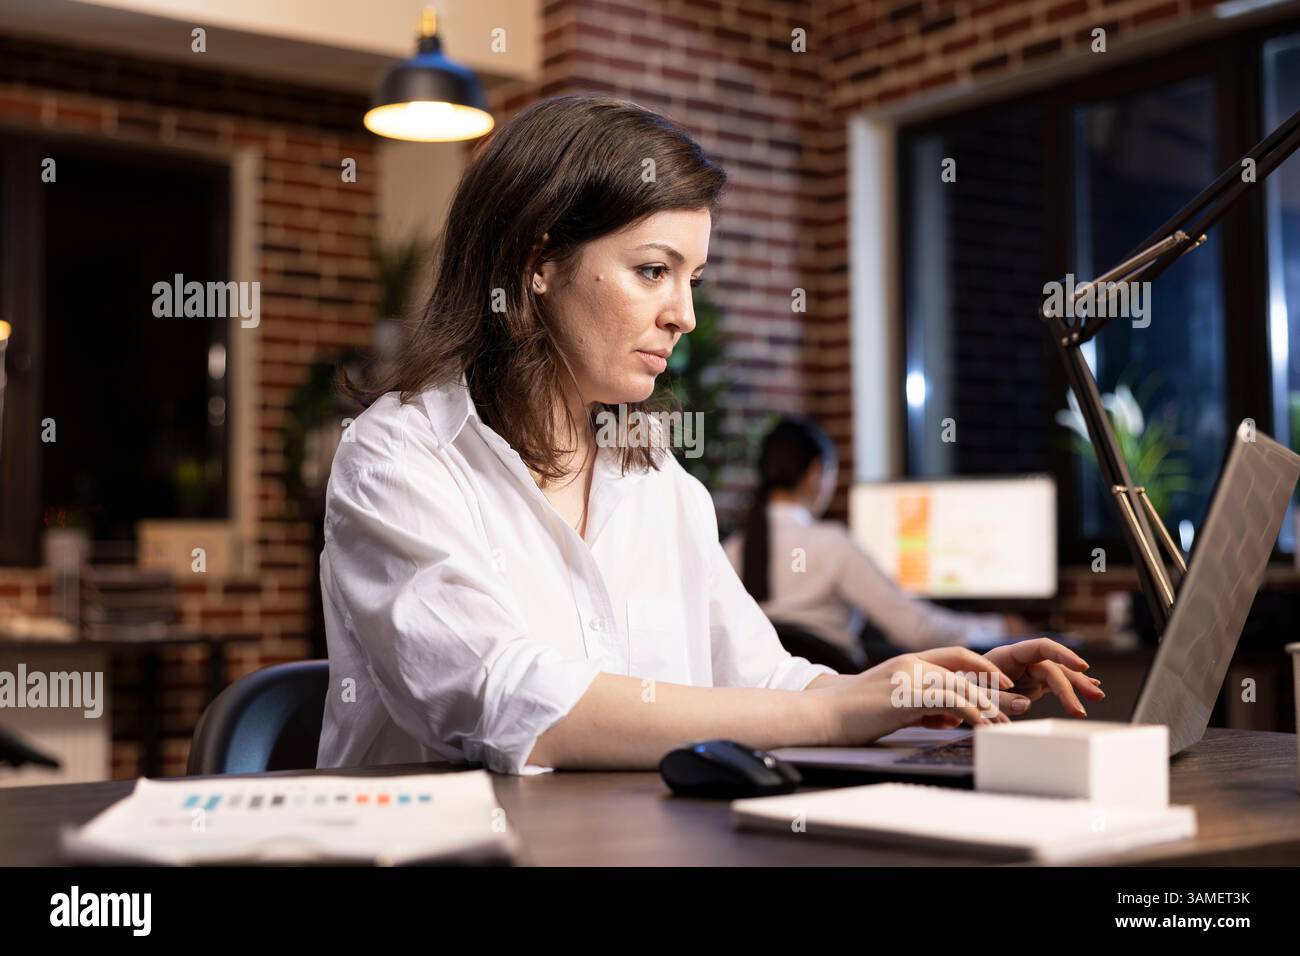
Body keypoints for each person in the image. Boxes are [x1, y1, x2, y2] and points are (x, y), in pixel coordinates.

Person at [315, 94, 1103, 776]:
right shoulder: (398, 457)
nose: (684, 317)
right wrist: (844, 711)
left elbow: (763, 684)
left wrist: (910, 689)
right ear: (538, 262)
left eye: (692, 280)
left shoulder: (654, 480)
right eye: (653, 271)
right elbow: (513, 701)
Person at [724, 417, 1029, 668]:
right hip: (833, 698)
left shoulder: (732, 550)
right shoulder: (832, 544)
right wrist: (999, 628)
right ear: (816, 472)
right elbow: (916, 630)